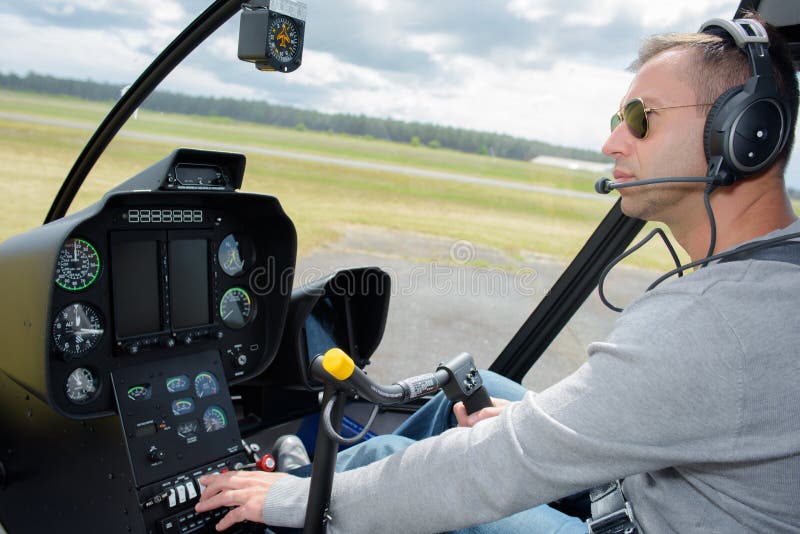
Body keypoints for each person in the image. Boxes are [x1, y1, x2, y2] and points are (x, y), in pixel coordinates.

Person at [195, 14, 800, 533]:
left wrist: (305, 502)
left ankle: (284, 493)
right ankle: (302, 479)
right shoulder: (772, 275)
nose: (612, 142)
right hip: (663, 497)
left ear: (743, 134)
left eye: (641, 117)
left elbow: (489, 470)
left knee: (404, 463)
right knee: (483, 391)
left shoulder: (716, 321)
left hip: (648, 518)